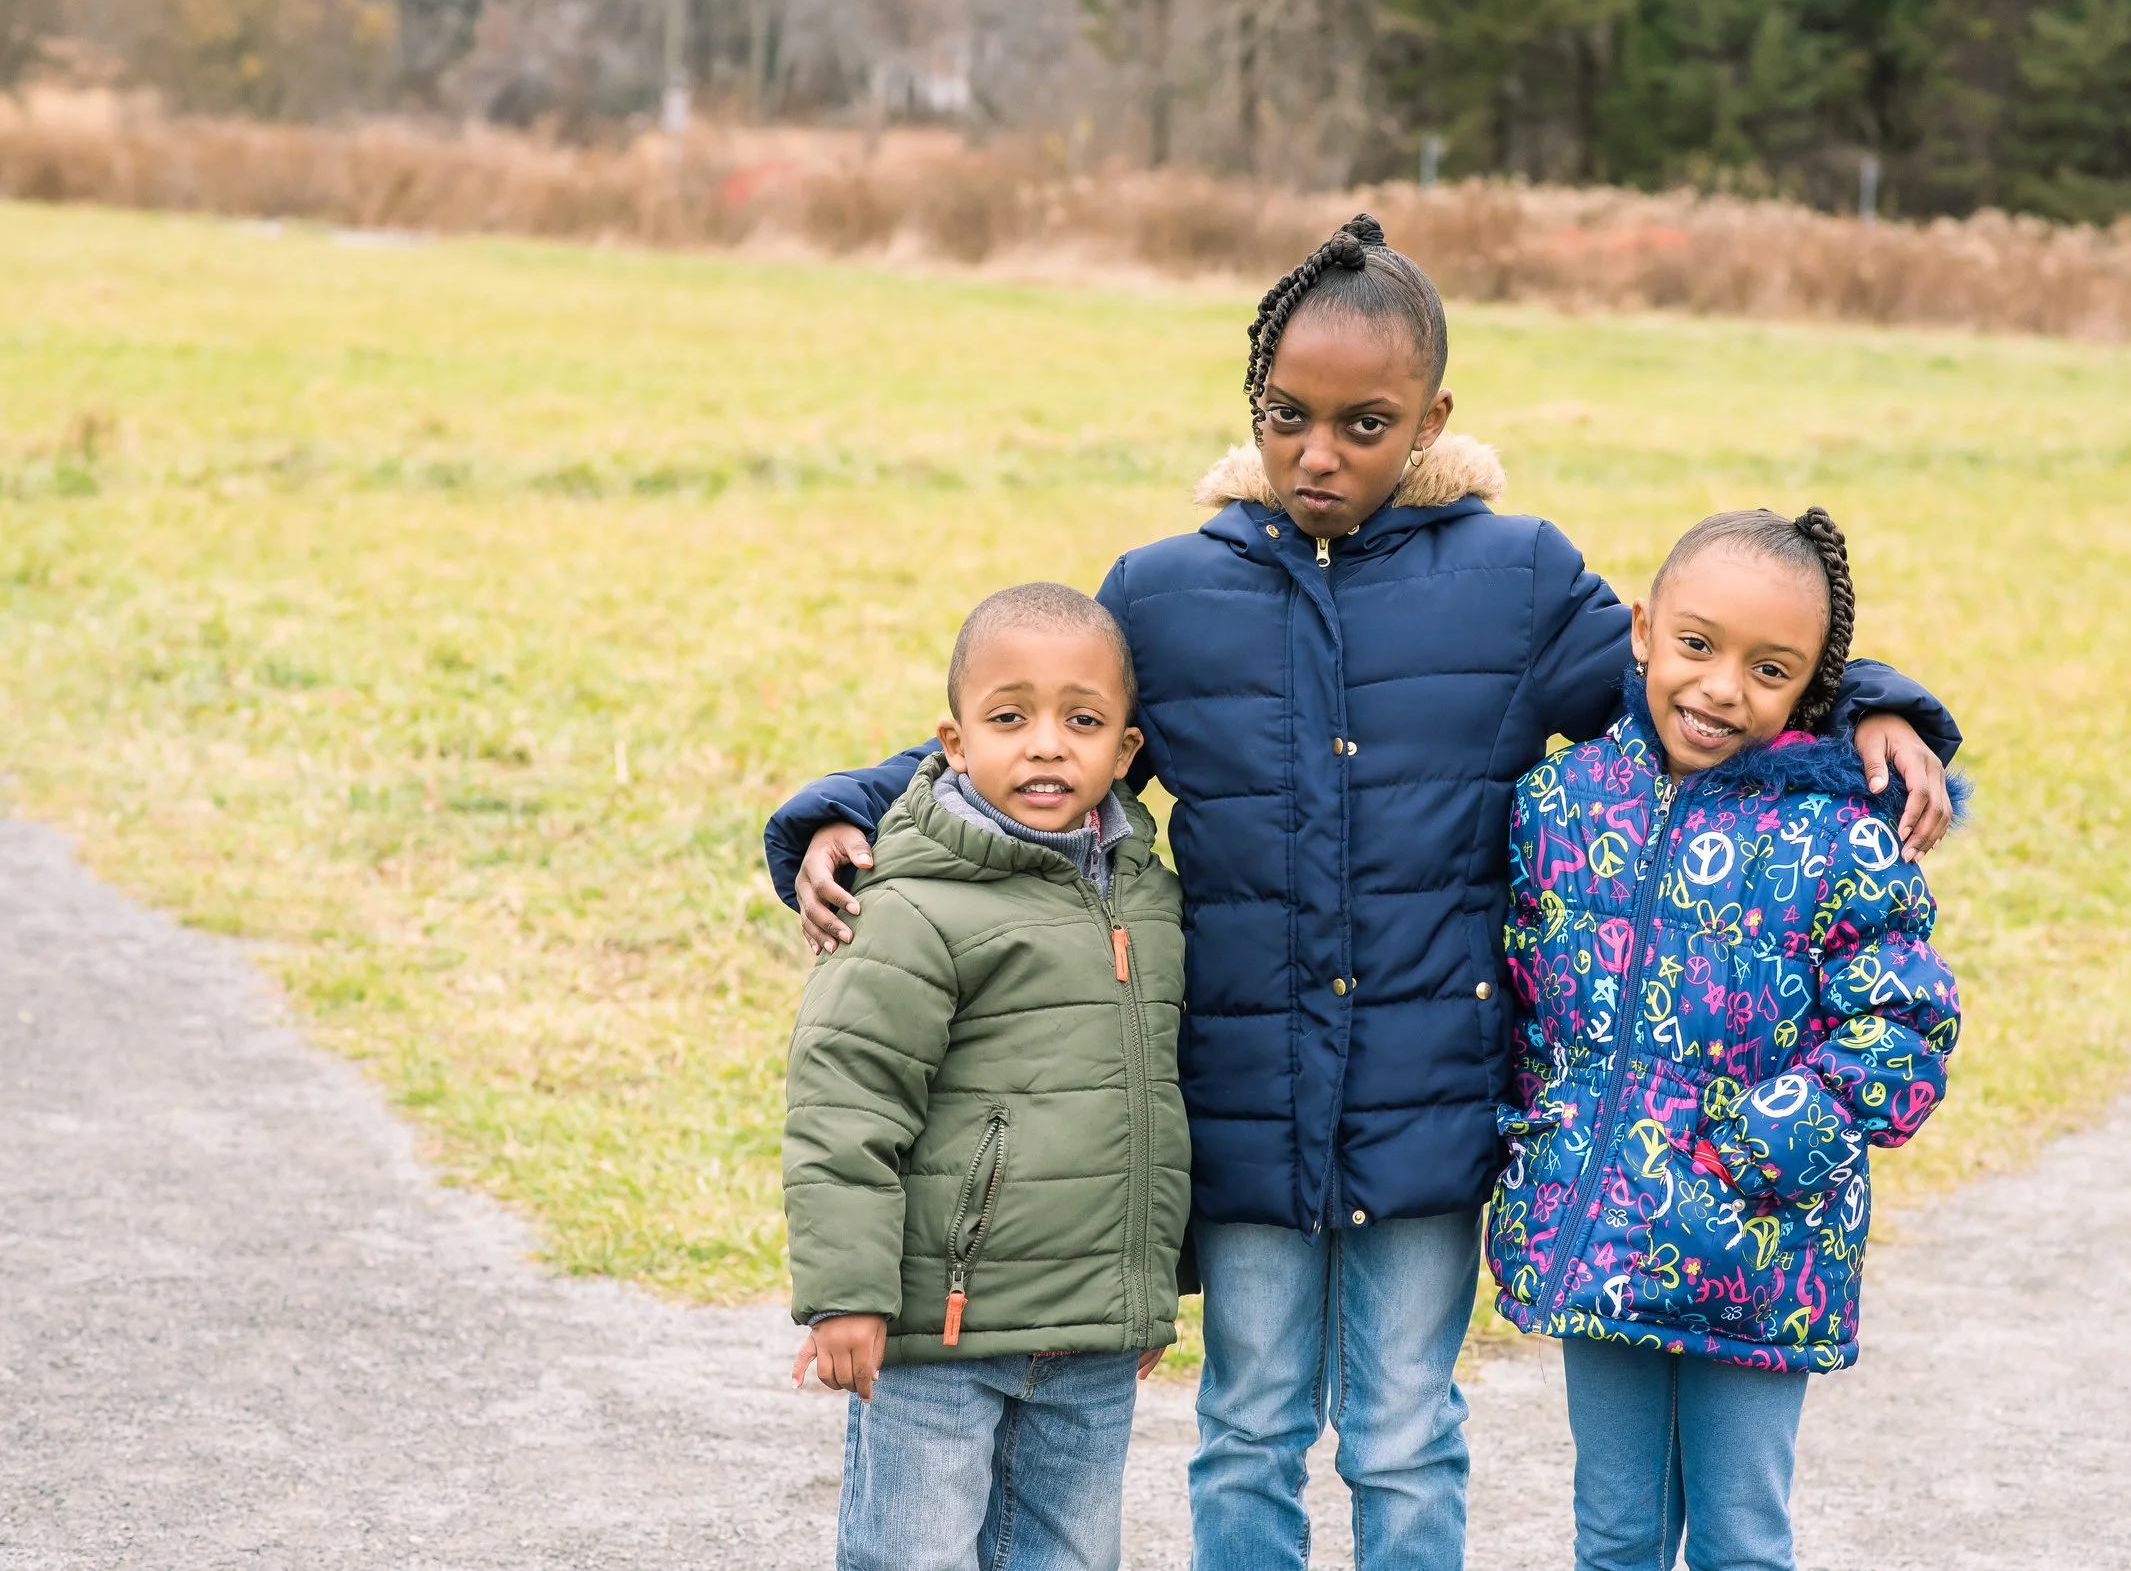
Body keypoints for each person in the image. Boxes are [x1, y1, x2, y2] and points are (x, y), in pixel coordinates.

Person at [766, 215, 1961, 1570]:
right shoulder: (1165, 594)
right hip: (1248, 1103)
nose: (1318, 453)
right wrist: (849, 809)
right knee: (1248, 1426)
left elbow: (1701, 669)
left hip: (1427, 1106)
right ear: (1253, 404)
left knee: (1403, 1434)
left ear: (1431, 420)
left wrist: (1869, 703)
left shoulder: (1516, 582)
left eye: (1364, 423)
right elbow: (1038, 733)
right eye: (1288, 416)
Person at [1490, 507, 1964, 1571]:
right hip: (1603, 1239)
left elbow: (1903, 1024)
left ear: (1810, 691)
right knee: (1614, 1534)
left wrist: (1765, 1147)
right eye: (1697, 645)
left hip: (1759, 1249)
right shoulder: (1558, 804)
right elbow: (1519, 991)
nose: (1720, 688)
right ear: (1643, 630)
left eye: (1768, 669)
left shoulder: (1838, 835)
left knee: (1741, 1539)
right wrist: (1537, 1134)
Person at [784, 581, 1190, 1571]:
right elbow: (846, 1100)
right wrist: (845, 1295)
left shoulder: (1151, 901)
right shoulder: (914, 905)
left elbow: (1156, 1104)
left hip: (1091, 1336)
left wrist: (1143, 1290)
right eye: (1009, 718)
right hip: (939, 1331)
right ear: (955, 742)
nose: (1046, 745)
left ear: (1126, 751)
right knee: (913, 1554)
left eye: (1082, 721)